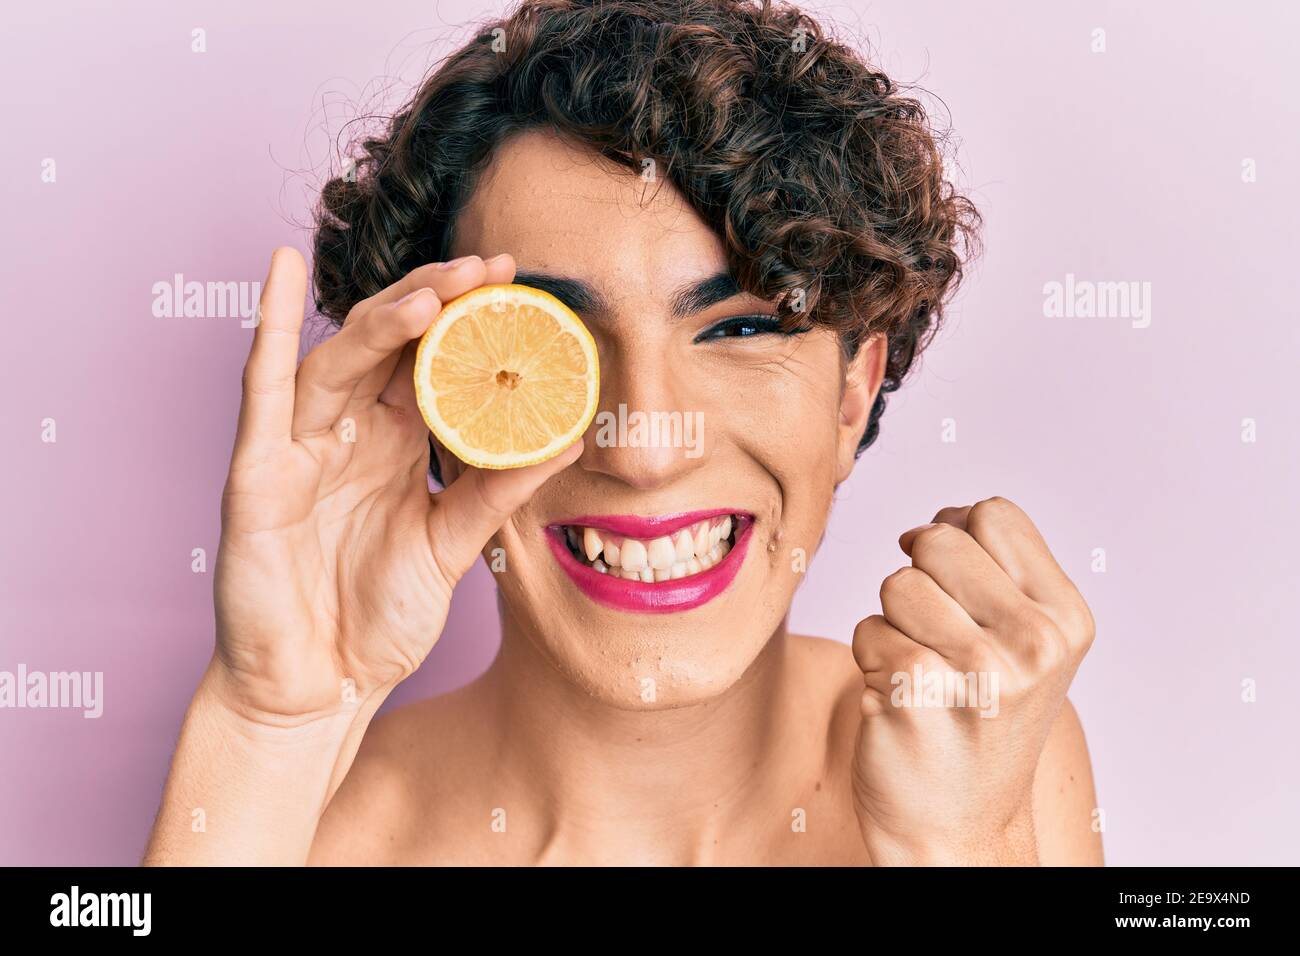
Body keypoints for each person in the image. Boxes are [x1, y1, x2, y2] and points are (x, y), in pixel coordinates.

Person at [144, 0, 1101, 866]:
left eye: (740, 328)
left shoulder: (988, 752)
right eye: (550, 340)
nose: (644, 446)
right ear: (438, 412)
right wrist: (270, 725)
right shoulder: (306, 835)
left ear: (852, 395)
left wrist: (968, 849)